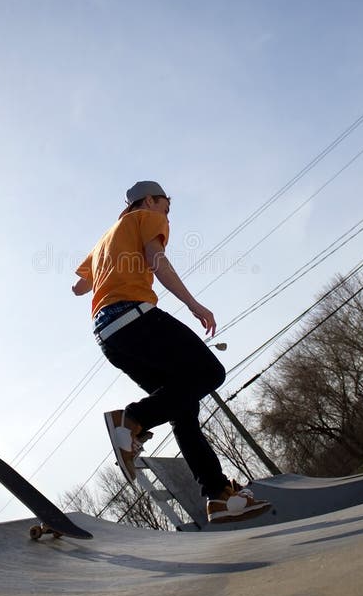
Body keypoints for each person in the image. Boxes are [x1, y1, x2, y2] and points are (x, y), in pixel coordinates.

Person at [72, 180, 270, 524]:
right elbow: (157, 261)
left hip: (108, 335)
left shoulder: (106, 239)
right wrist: (193, 304)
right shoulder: (146, 218)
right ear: (149, 200)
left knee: (182, 406)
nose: (167, 213)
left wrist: (108, 265)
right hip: (133, 317)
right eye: (166, 204)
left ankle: (219, 495)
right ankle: (132, 419)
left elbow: (79, 288)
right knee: (210, 373)